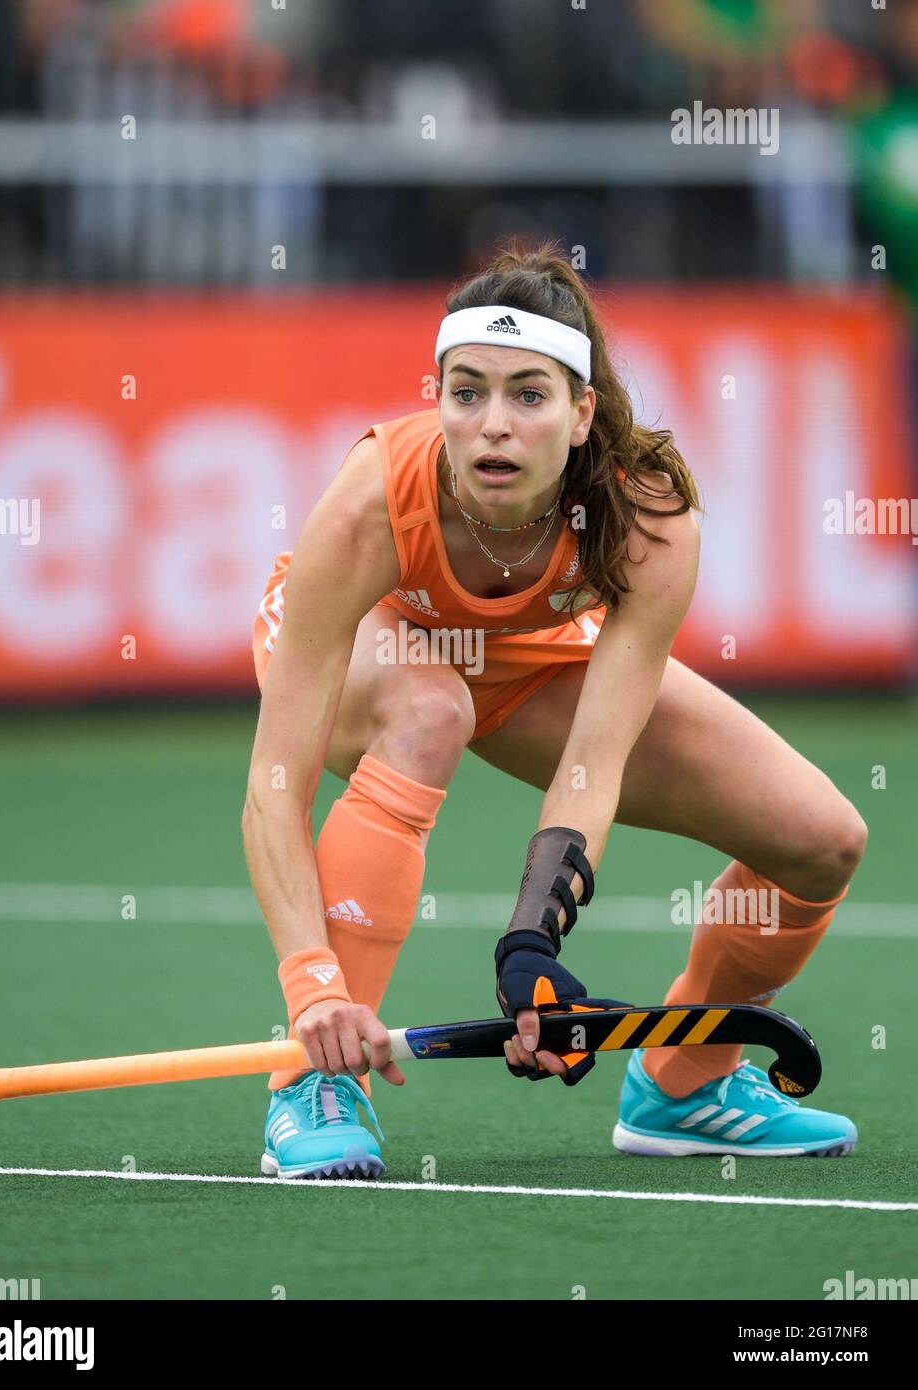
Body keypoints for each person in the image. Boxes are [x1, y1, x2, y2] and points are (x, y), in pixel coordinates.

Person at [242, 239, 865, 1179]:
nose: (493, 425)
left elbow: (591, 766)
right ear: (437, 398)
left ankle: (684, 1085)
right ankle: (318, 1081)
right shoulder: (372, 502)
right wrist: (310, 989)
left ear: (581, 414)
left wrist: (532, 943)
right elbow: (271, 787)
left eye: (528, 395)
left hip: (527, 661)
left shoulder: (648, 514)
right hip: (379, 645)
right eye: (467, 391)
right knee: (431, 709)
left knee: (819, 837)